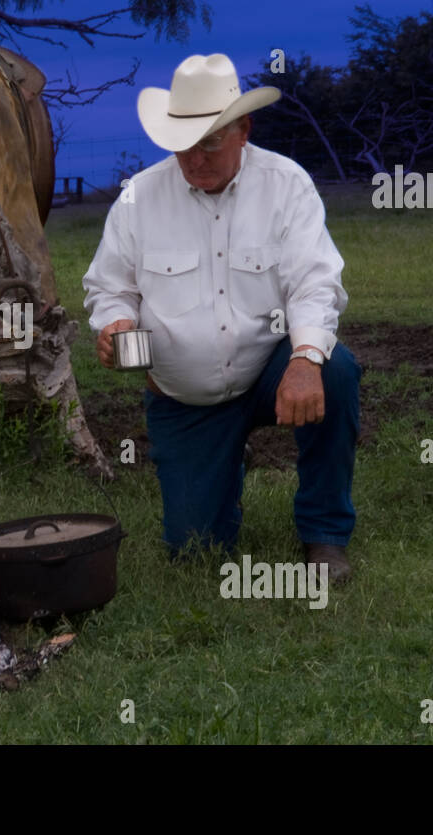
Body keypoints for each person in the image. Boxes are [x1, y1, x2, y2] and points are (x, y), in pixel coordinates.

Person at [82, 53, 361, 582]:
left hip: (266, 370)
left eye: (209, 142)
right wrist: (114, 323)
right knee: (195, 552)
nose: (194, 159)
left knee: (336, 370)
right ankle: (222, 463)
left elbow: (314, 282)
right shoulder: (139, 197)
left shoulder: (287, 185)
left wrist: (305, 359)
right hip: (184, 399)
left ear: (243, 129)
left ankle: (324, 535)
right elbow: (109, 287)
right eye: (182, 144)